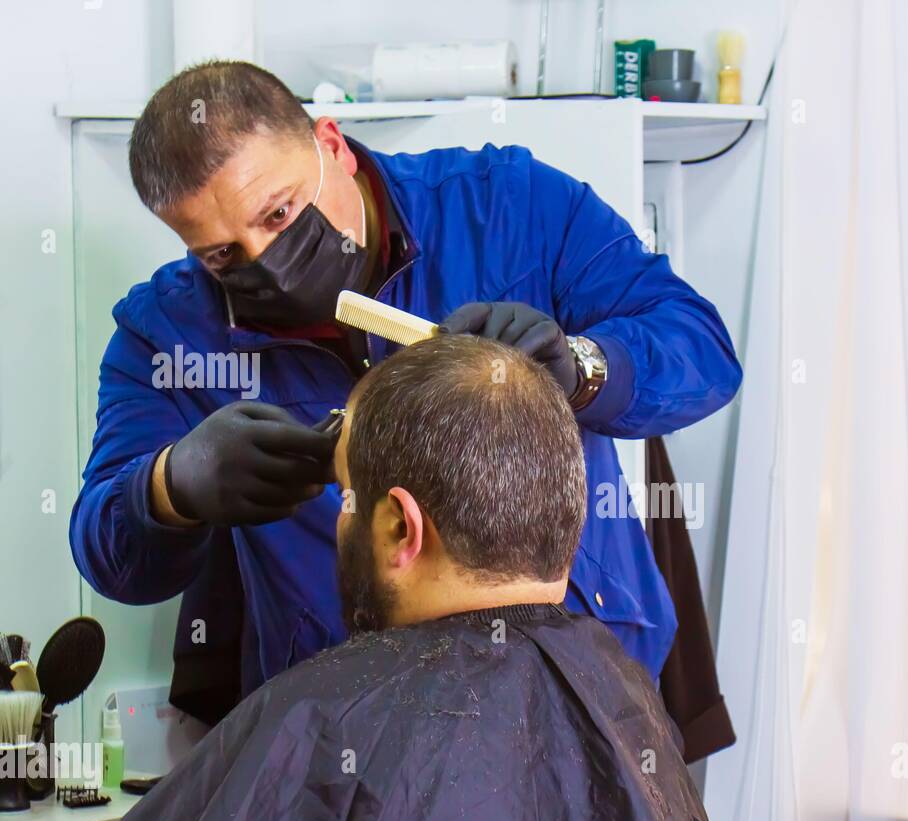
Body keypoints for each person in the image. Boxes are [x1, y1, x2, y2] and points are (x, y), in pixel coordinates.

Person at [0, 334, 754, 821]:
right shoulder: (628, 704)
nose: (338, 521)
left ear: (397, 525)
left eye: (345, 498)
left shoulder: (307, 725)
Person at [71, 61, 742, 720]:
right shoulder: (166, 337)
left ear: (330, 145)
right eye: (221, 255)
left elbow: (703, 351)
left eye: (278, 213)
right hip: (344, 730)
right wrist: (170, 488)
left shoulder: (509, 205)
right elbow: (108, 550)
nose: (264, 263)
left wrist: (582, 367)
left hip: (586, 698)